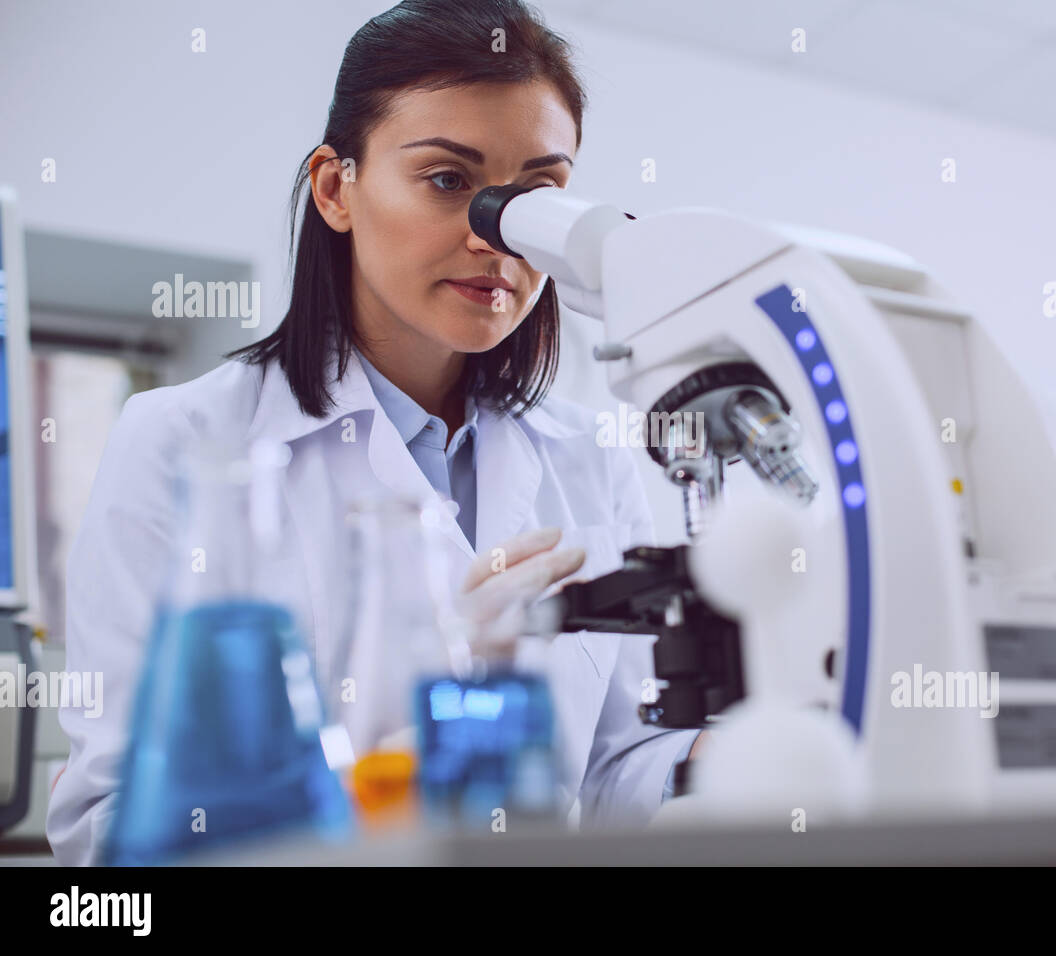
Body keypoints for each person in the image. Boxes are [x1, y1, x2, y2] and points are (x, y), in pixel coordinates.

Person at [47, 0, 703, 866]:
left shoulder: (588, 458)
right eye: (447, 180)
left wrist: (717, 764)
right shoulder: (186, 440)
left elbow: (611, 772)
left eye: (535, 197)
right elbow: (111, 832)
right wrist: (418, 688)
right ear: (335, 188)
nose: (497, 237)